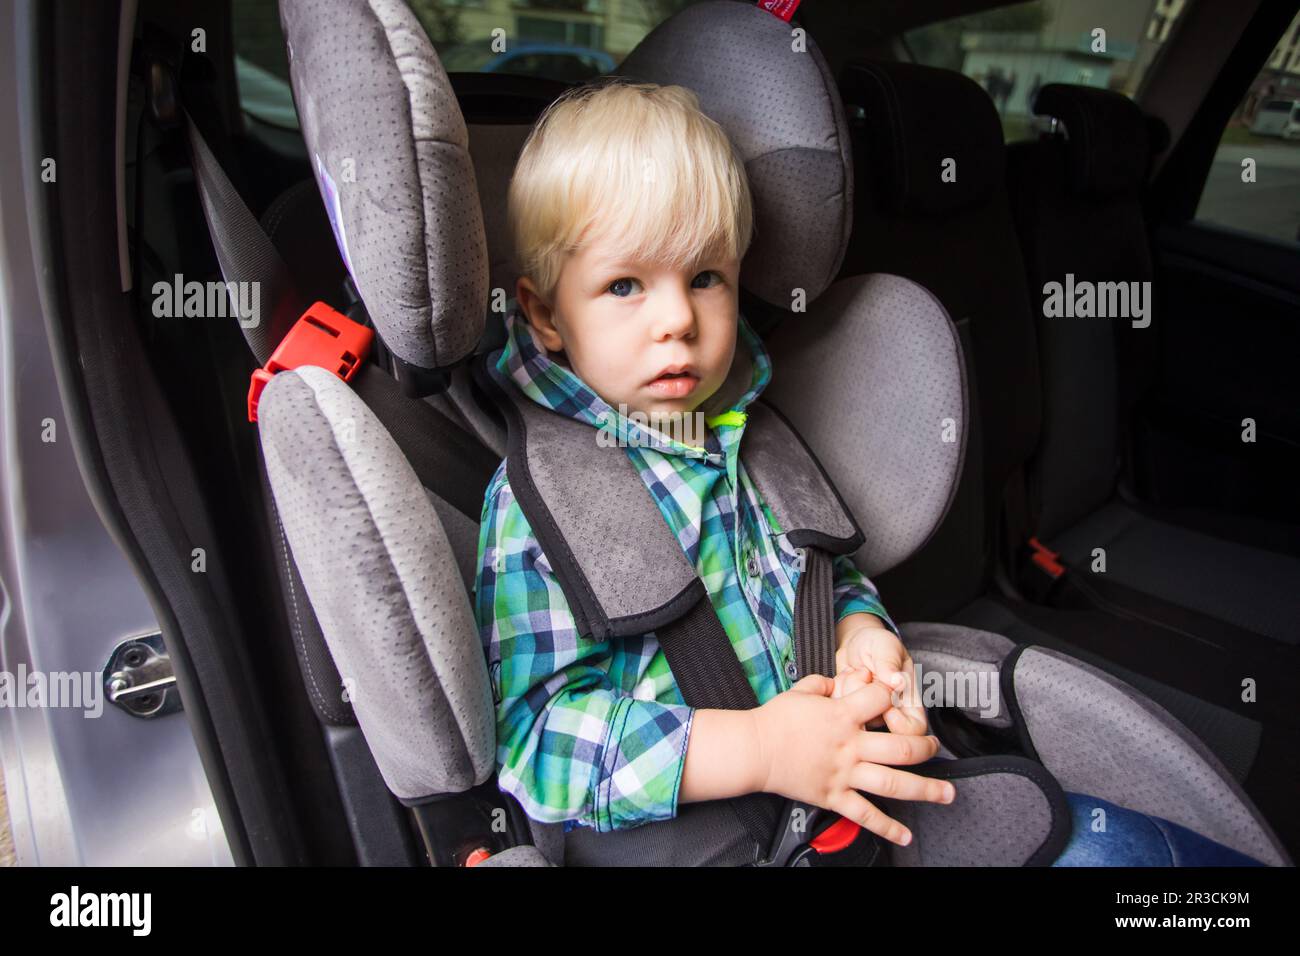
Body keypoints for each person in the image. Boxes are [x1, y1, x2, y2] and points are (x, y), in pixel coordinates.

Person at [473, 78, 1263, 866]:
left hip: (846, 800)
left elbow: (826, 576)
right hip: (719, 837)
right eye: (625, 286)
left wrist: (862, 638)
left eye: (705, 277)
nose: (678, 318)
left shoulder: (744, 434)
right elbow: (536, 741)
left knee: (1132, 852)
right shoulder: (542, 503)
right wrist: (757, 748)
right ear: (545, 314)